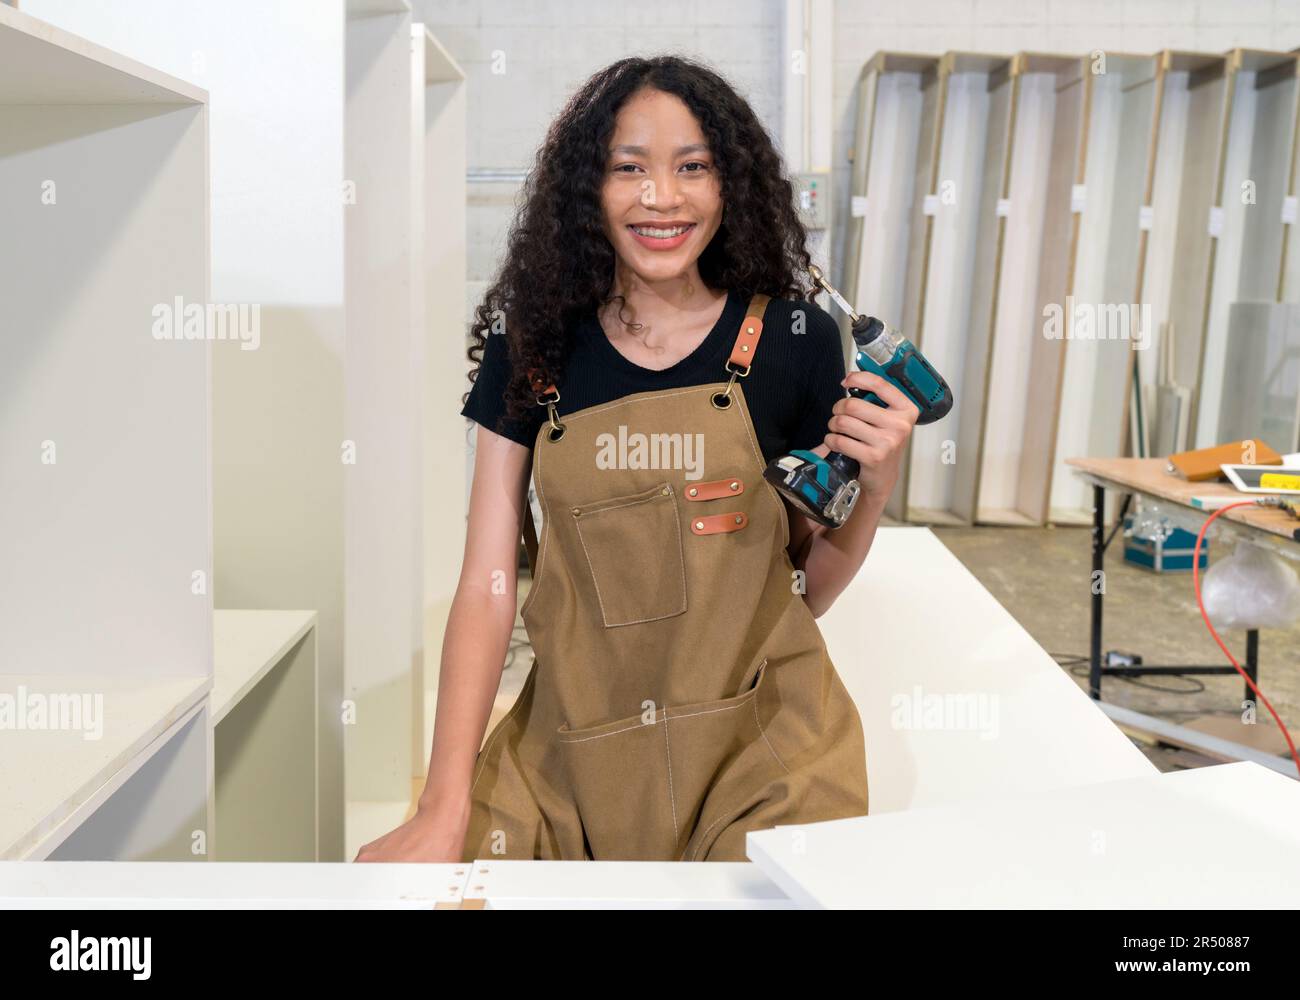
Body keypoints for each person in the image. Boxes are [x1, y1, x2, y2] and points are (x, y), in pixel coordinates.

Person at [356, 54, 918, 863]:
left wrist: (877, 489)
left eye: (693, 167)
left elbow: (802, 592)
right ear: (589, 189)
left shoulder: (794, 343)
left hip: (763, 753)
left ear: (731, 185)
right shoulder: (535, 347)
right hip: (570, 753)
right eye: (631, 170)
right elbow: (486, 585)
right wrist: (442, 806)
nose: (663, 197)